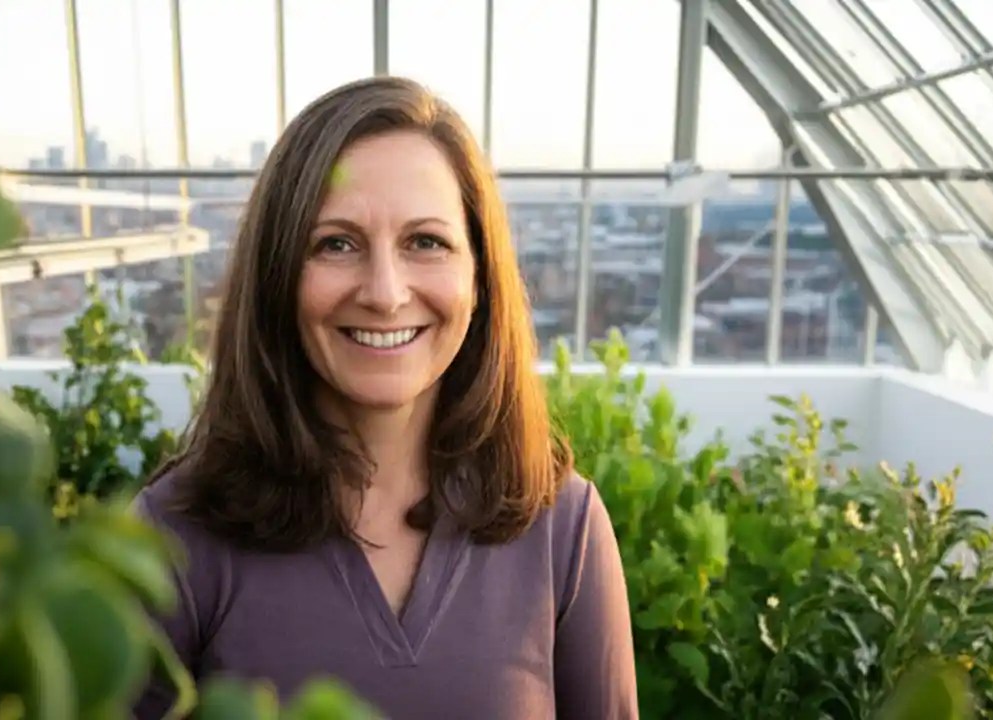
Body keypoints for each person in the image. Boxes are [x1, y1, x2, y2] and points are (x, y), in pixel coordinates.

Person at [131, 76, 637, 719]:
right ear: (277, 277)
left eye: (425, 242)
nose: (384, 291)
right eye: (336, 244)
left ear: (479, 277)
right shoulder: (175, 537)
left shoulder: (562, 530)